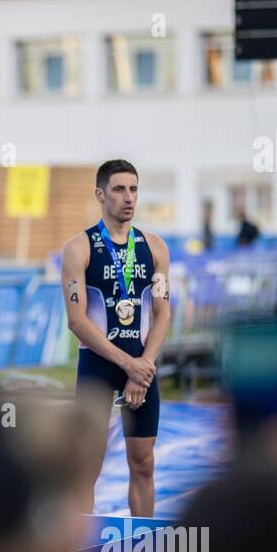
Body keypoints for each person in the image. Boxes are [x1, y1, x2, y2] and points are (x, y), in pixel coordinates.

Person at [60, 159, 171, 516]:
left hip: (142, 365)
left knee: (143, 464)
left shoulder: (155, 248)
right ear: (100, 194)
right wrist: (131, 368)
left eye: (134, 189)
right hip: (98, 367)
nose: (129, 198)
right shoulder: (78, 249)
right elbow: (77, 321)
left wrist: (145, 367)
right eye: (119, 189)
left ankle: (144, 545)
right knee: (84, 469)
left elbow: (163, 312)